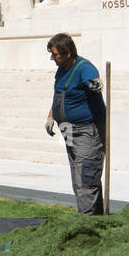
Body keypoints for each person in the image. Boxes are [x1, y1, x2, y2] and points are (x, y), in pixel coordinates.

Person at [43, 33, 107, 216]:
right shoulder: (61, 69)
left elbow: (92, 79)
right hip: (68, 131)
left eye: (55, 54)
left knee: (86, 178)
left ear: (68, 53)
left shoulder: (84, 68)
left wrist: (95, 85)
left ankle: (85, 225)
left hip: (87, 132)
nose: (51, 58)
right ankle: (95, 218)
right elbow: (58, 96)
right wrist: (51, 117)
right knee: (79, 178)